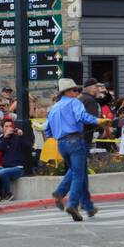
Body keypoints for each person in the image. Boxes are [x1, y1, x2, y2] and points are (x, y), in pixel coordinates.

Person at [46, 77, 98, 221]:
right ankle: (72, 204)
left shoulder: (54, 108)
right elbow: (82, 116)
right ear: (67, 92)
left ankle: (86, 205)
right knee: (78, 175)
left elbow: (47, 130)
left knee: (77, 171)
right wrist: (98, 121)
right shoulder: (75, 102)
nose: (77, 93)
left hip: (61, 143)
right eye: (75, 90)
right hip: (76, 140)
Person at [0, 119, 32, 201]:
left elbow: (28, 147)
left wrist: (21, 136)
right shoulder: (1, 138)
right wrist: (5, 137)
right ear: (3, 128)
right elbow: (0, 149)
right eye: (6, 126)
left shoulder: (18, 137)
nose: (9, 128)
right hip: (6, 166)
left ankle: (8, 194)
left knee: (2, 172)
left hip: (18, 168)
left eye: (10, 126)